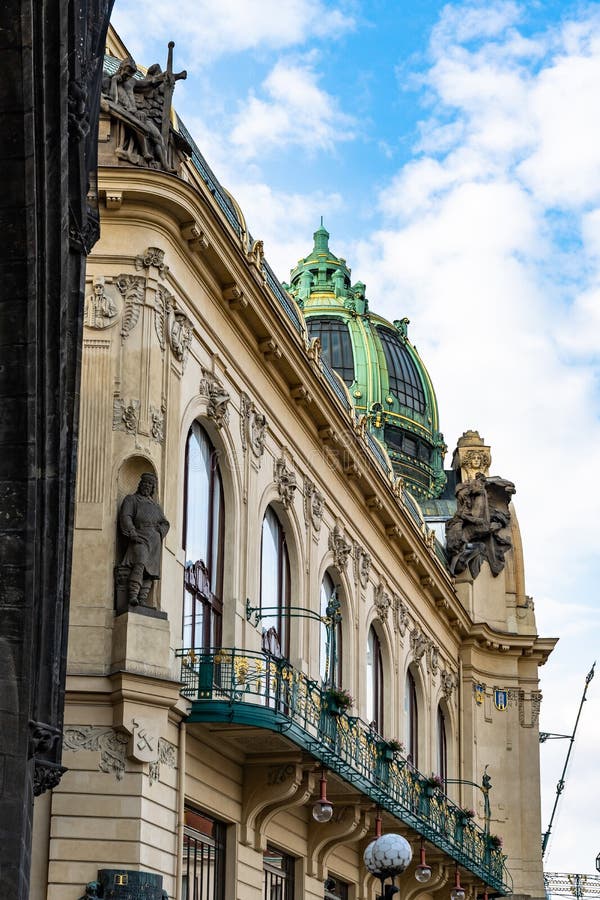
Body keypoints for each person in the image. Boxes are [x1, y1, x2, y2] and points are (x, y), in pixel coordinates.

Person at [119, 473, 170, 606]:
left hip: (154, 541)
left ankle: (143, 598)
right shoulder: (132, 500)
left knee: (151, 571)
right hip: (139, 536)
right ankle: (133, 595)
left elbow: (165, 523)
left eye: (150, 484)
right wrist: (132, 532)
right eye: (145, 483)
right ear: (140, 484)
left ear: (152, 488)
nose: (147, 486)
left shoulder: (156, 506)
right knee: (140, 563)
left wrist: (159, 532)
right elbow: (126, 516)